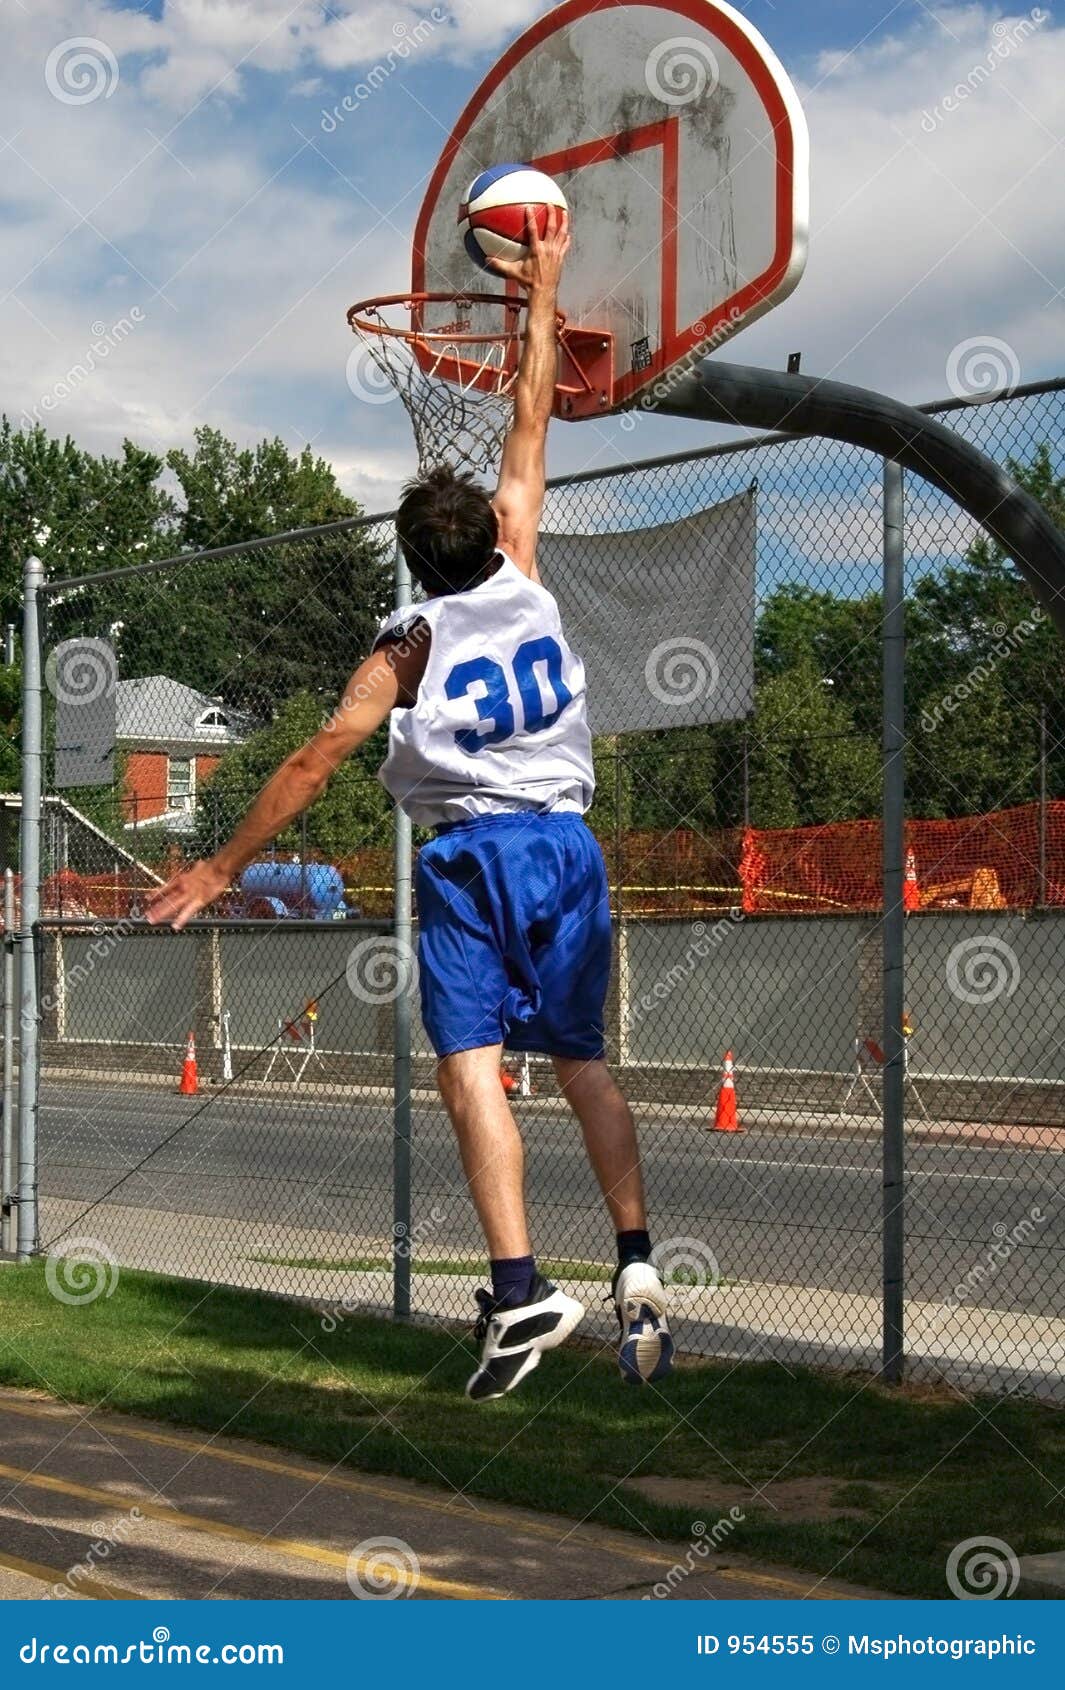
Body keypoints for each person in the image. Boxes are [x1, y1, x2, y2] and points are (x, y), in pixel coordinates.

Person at [147, 205, 673, 1402]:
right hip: (569, 847)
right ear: (486, 532)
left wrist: (222, 868)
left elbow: (314, 761)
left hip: (478, 855)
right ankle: (639, 1258)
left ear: (411, 558)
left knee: (469, 1066)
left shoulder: (408, 643)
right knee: (583, 1060)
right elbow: (532, 410)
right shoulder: (527, 563)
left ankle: (523, 1280)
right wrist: (543, 287)